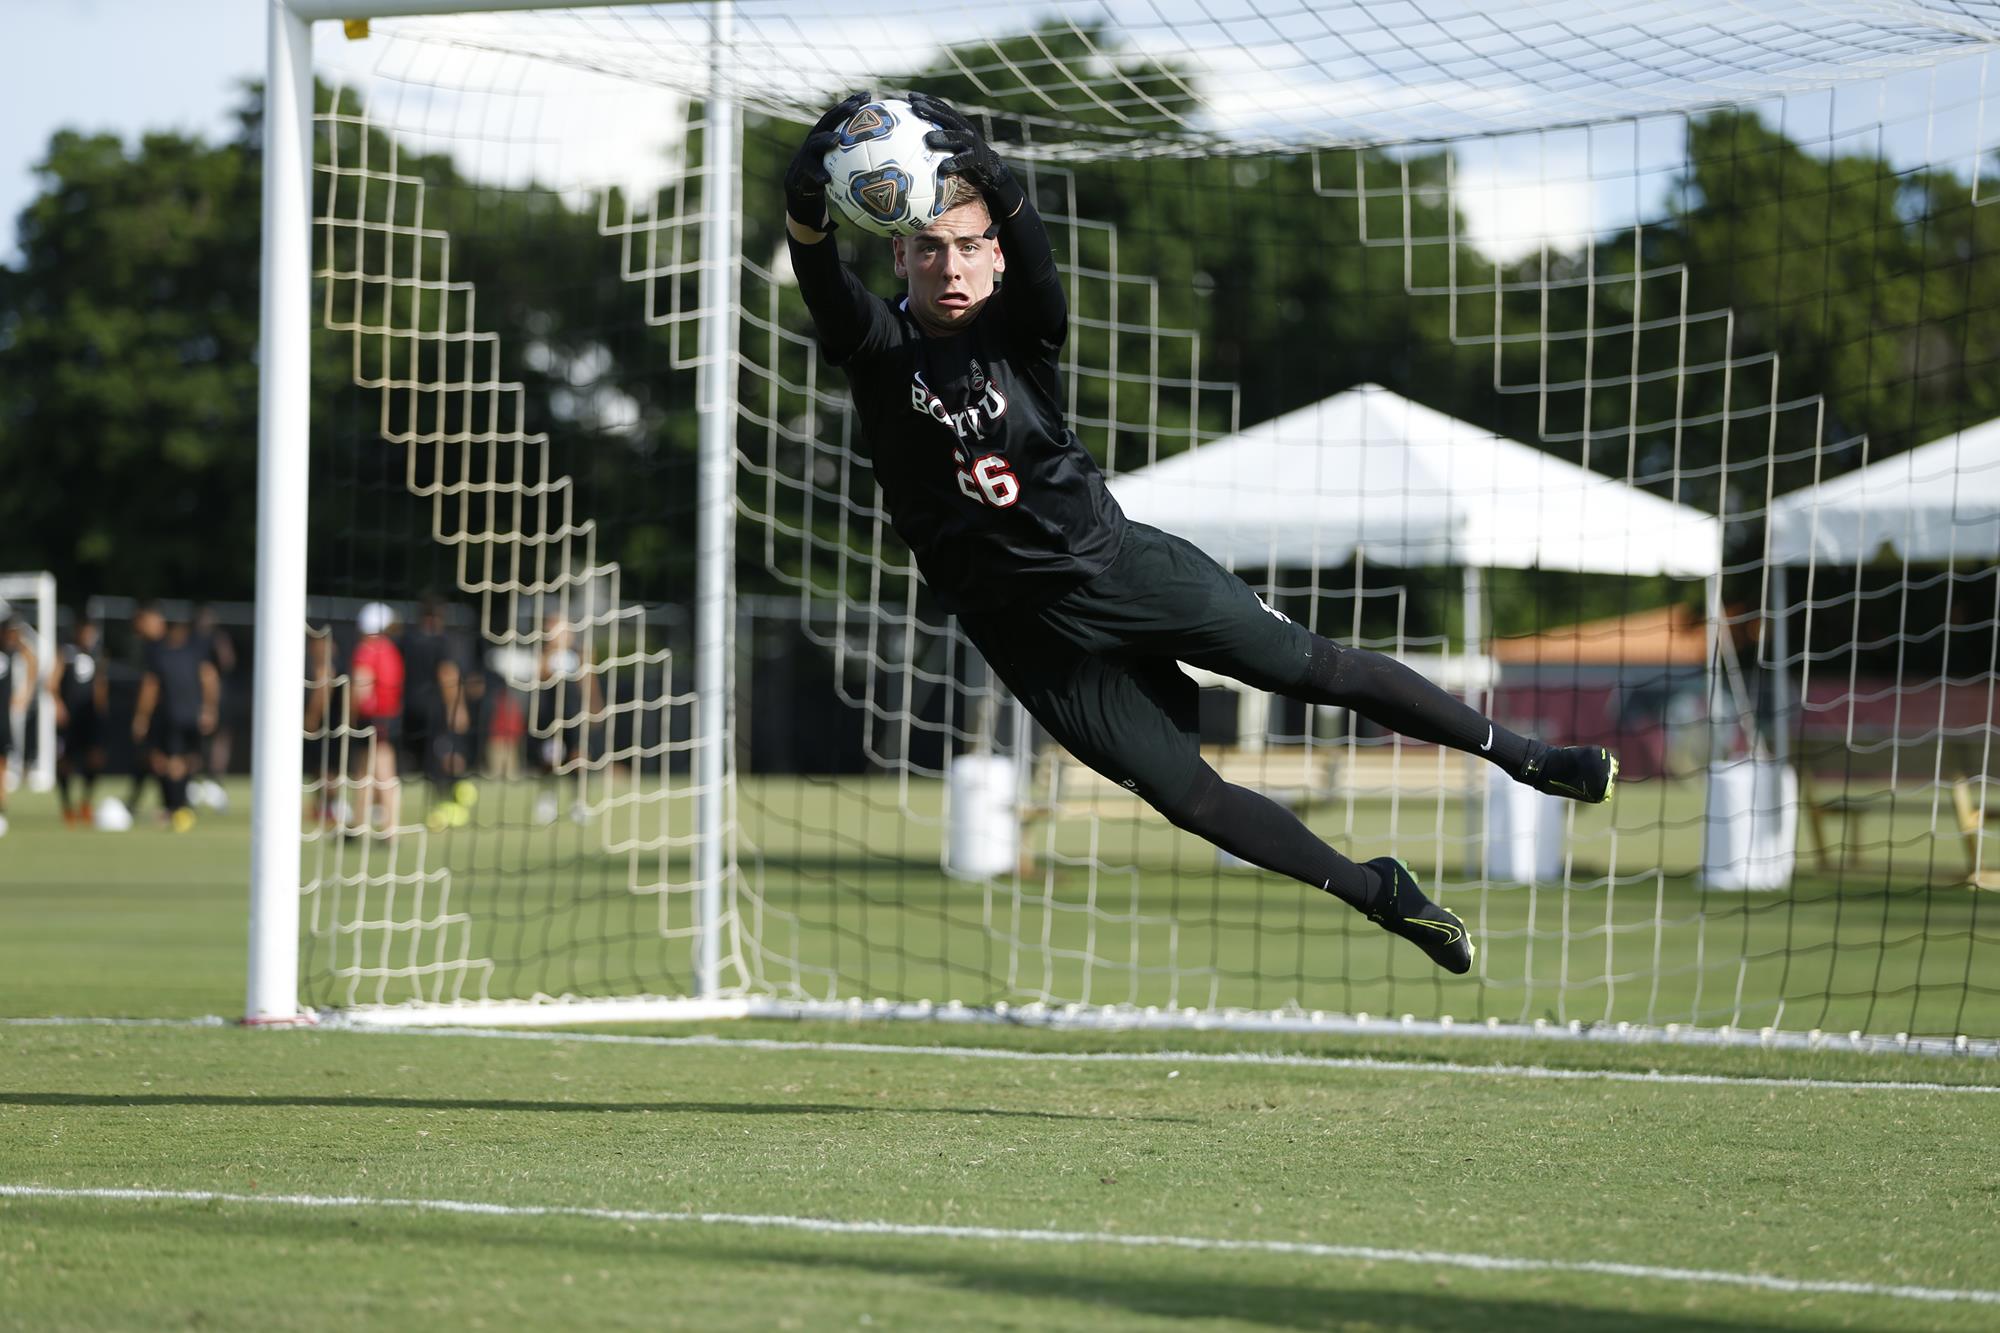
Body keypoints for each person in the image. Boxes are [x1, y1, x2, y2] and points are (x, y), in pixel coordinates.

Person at [783, 93, 1618, 974]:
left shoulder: (1020, 332)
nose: (949, 267)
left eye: (968, 246)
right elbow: (820, 277)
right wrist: (803, 203)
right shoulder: (879, 346)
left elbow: (1039, 268)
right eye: (928, 248)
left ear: (991, 257)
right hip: (1028, 636)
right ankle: (1382, 892)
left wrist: (998, 175)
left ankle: (1531, 758)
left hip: (1122, 568)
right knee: (1193, 799)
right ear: (900, 252)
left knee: (1312, 669)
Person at [130, 613, 217, 832]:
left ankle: (177, 808)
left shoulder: (161, 654)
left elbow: (150, 687)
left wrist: (141, 717)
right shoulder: (192, 652)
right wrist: (209, 708)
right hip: (189, 716)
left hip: (174, 716)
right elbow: (210, 678)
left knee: (172, 763)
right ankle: (178, 807)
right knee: (181, 761)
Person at [347, 601, 406, 836]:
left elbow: (361, 687)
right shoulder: (390, 650)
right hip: (388, 716)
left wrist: (351, 716)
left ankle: (387, 827)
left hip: (372, 717)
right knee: (365, 771)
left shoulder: (366, 651)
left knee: (381, 772)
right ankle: (359, 823)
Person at [49, 618, 109, 827]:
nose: (88, 637)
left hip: (90, 718)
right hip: (70, 719)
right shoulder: (66, 653)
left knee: (95, 759)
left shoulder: (97, 654)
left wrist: (101, 713)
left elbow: (100, 686)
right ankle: (67, 807)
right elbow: (52, 683)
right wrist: (58, 705)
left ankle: (85, 803)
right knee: (66, 762)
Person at [121, 601, 168, 819]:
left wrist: (142, 716)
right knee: (147, 759)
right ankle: (135, 802)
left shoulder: (159, 649)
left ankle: (173, 803)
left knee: (158, 759)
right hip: (165, 713)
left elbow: (151, 685)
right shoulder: (152, 647)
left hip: (163, 714)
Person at [0, 604, 39, 838]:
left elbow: (32, 660)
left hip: (2, 718)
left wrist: (26, 692)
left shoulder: (12, 650)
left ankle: (1, 802)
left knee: (3, 762)